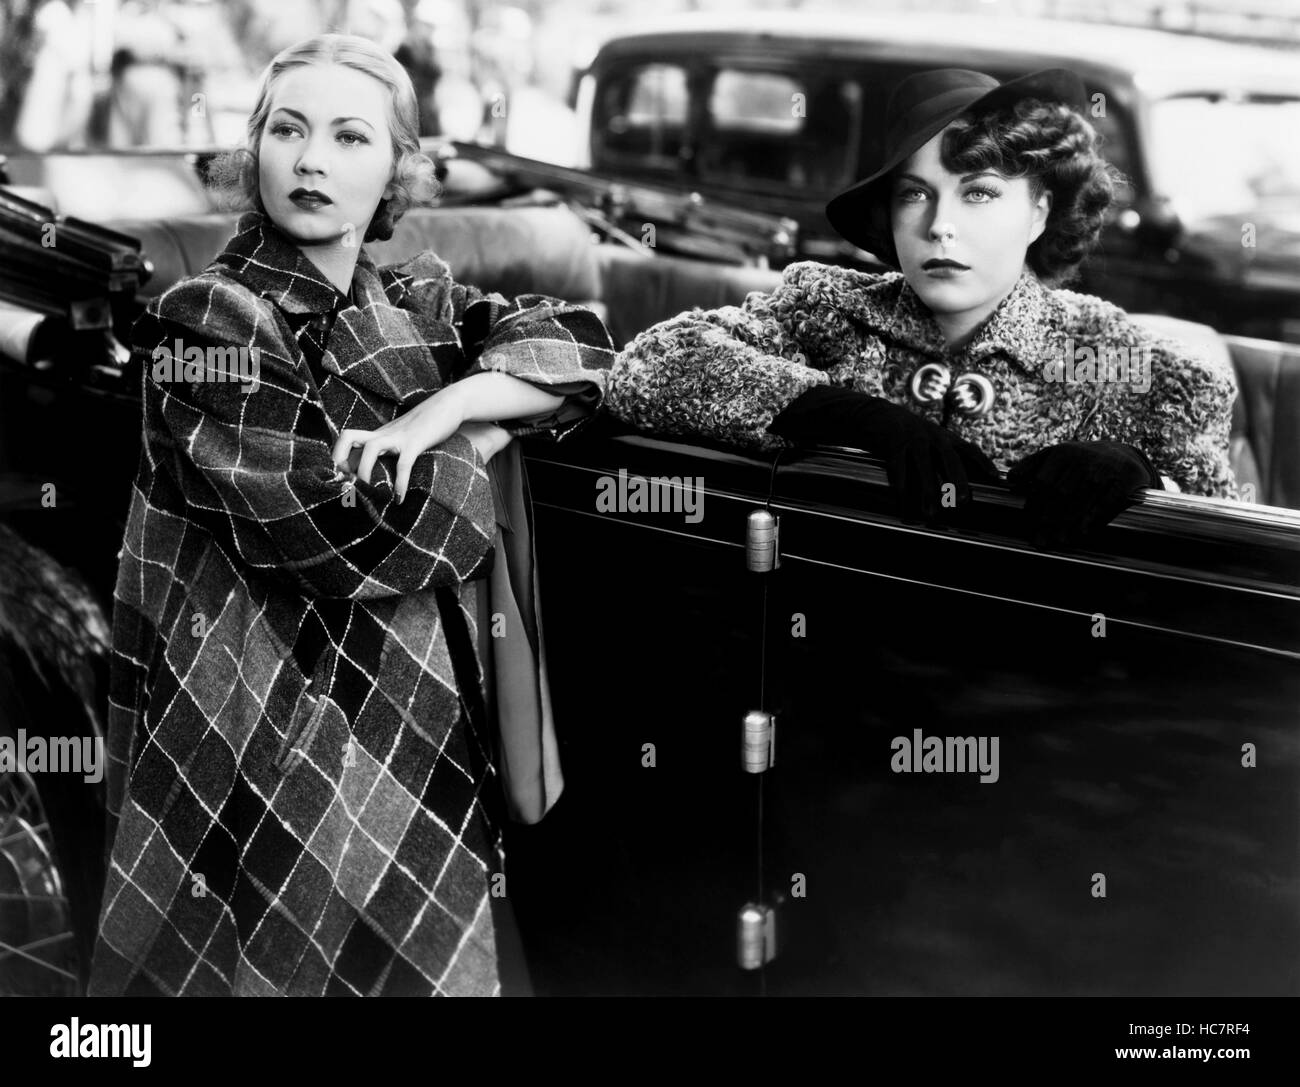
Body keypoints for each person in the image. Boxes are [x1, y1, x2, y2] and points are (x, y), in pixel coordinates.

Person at [88, 33, 612, 997]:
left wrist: (448, 408)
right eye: (286, 130)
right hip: (268, 736)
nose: (312, 160)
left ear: (398, 171)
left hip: (414, 728)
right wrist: (488, 445)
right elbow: (341, 530)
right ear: (252, 155)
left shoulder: (417, 300)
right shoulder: (208, 319)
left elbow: (582, 348)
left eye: (349, 136)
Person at [606, 68, 1239, 547]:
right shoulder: (831, 312)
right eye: (915, 196)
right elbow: (649, 369)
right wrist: (845, 414)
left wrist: (1144, 478)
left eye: (980, 194)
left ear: (1040, 211)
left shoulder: (1108, 355)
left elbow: (1229, 531)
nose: (940, 227)